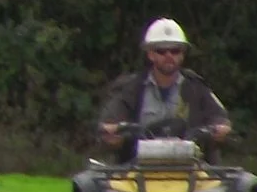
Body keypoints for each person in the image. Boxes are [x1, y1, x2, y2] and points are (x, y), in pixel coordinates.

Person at [96, 18, 231, 158]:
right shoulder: (131, 88)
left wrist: (220, 128)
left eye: (175, 50)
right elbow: (111, 119)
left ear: (182, 54)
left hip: (191, 169)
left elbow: (219, 117)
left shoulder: (196, 87)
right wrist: (112, 132)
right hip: (138, 170)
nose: (169, 56)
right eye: (161, 51)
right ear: (150, 54)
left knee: (244, 180)